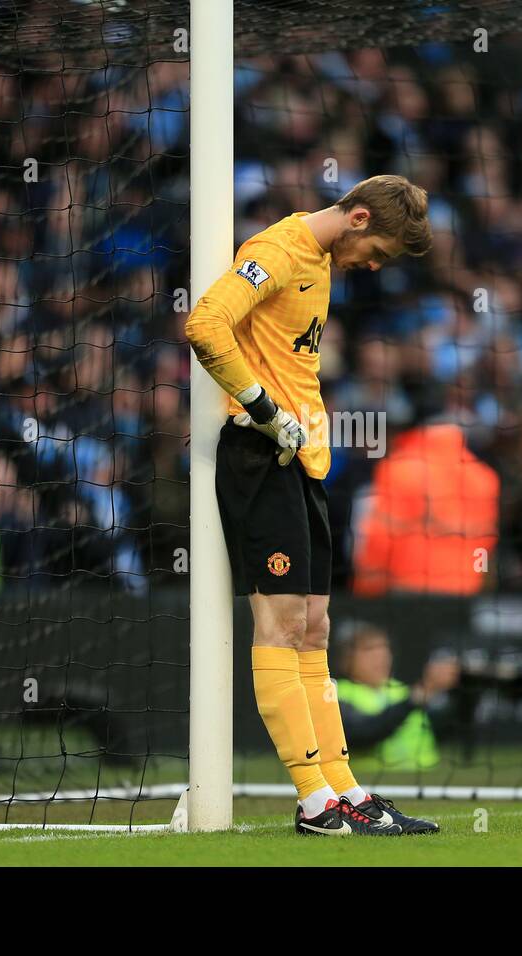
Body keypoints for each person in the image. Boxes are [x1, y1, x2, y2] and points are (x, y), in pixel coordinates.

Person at [184, 175, 439, 835]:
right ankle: (312, 800)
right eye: (377, 251)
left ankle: (344, 788)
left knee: (316, 629)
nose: (373, 266)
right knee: (281, 626)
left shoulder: (321, 261)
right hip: (257, 451)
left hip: (302, 461)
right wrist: (264, 410)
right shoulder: (277, 250)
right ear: (356, 217)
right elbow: (206, 323)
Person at [333, 621, 461, 772]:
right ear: (347, 659)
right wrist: (415, 698)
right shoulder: (337, 693)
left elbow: (443, 730)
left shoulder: (401, 690)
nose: (380, 657)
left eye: (384, 649)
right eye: (369, 650)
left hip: (425, 781)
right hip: (372, 785)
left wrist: (457, 692)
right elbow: (363, 734)